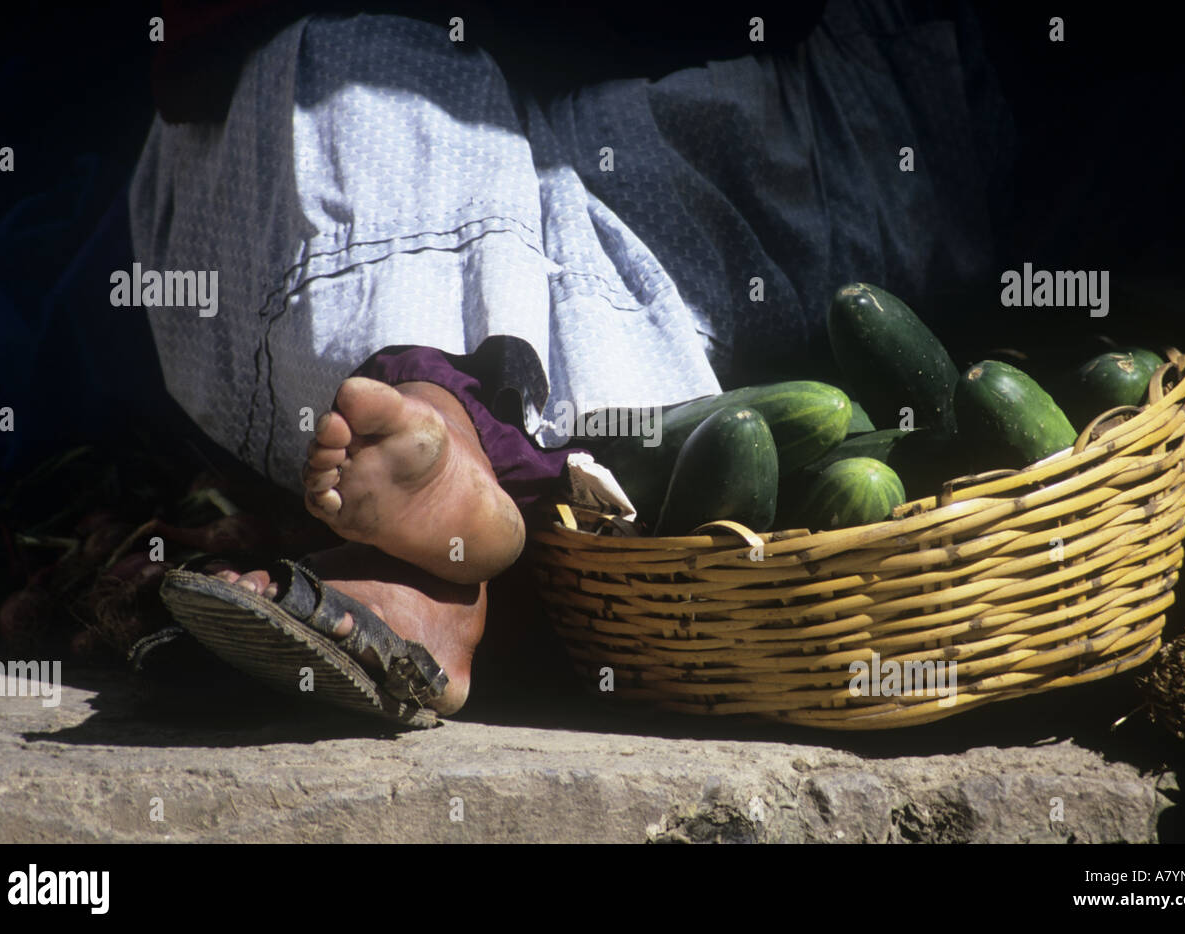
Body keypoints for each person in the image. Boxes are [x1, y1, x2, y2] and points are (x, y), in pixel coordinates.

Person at [136, 0, 1012, 724]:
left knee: (453, 106)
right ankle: (447, 468)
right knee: (355, 73)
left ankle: (446, 526)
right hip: (425, 89)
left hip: (715, 99)